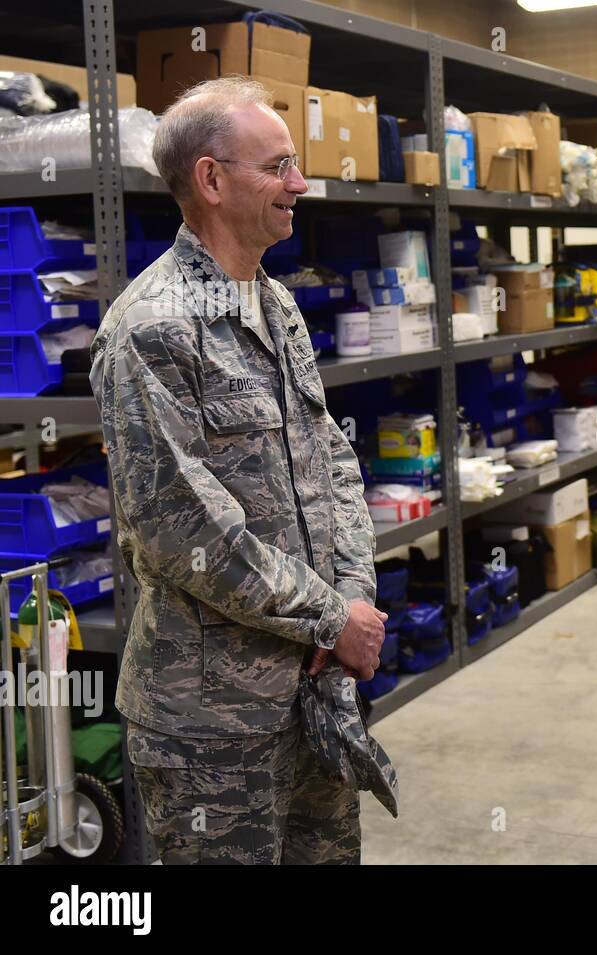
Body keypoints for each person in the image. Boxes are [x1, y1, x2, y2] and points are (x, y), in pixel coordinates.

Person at [89, 76, 389, 864]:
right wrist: (331, 617)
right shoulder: (151, 328)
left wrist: (354, 596)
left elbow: (331, 460)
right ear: (212, 180)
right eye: (278, 166)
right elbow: (179, 529)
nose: (300, 184)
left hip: (314, 690)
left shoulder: (277, 305)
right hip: (212, 725)